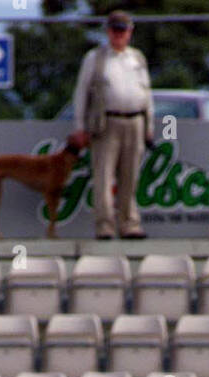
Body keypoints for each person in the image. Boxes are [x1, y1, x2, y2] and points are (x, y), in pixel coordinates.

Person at [73, 10, 154, 240]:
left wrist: (150, 126)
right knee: (104, 175)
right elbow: (81, 93)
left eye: (123, 30)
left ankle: (129, 224)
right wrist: (80, 127)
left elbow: (147, 93)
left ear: (130, 32)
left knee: (131, 176)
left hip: (135, 120)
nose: (119, 35)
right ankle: (105, 226)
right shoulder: (95, 58)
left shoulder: (137, 58)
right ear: (108, 32)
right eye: (115, 30)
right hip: (106, 121)